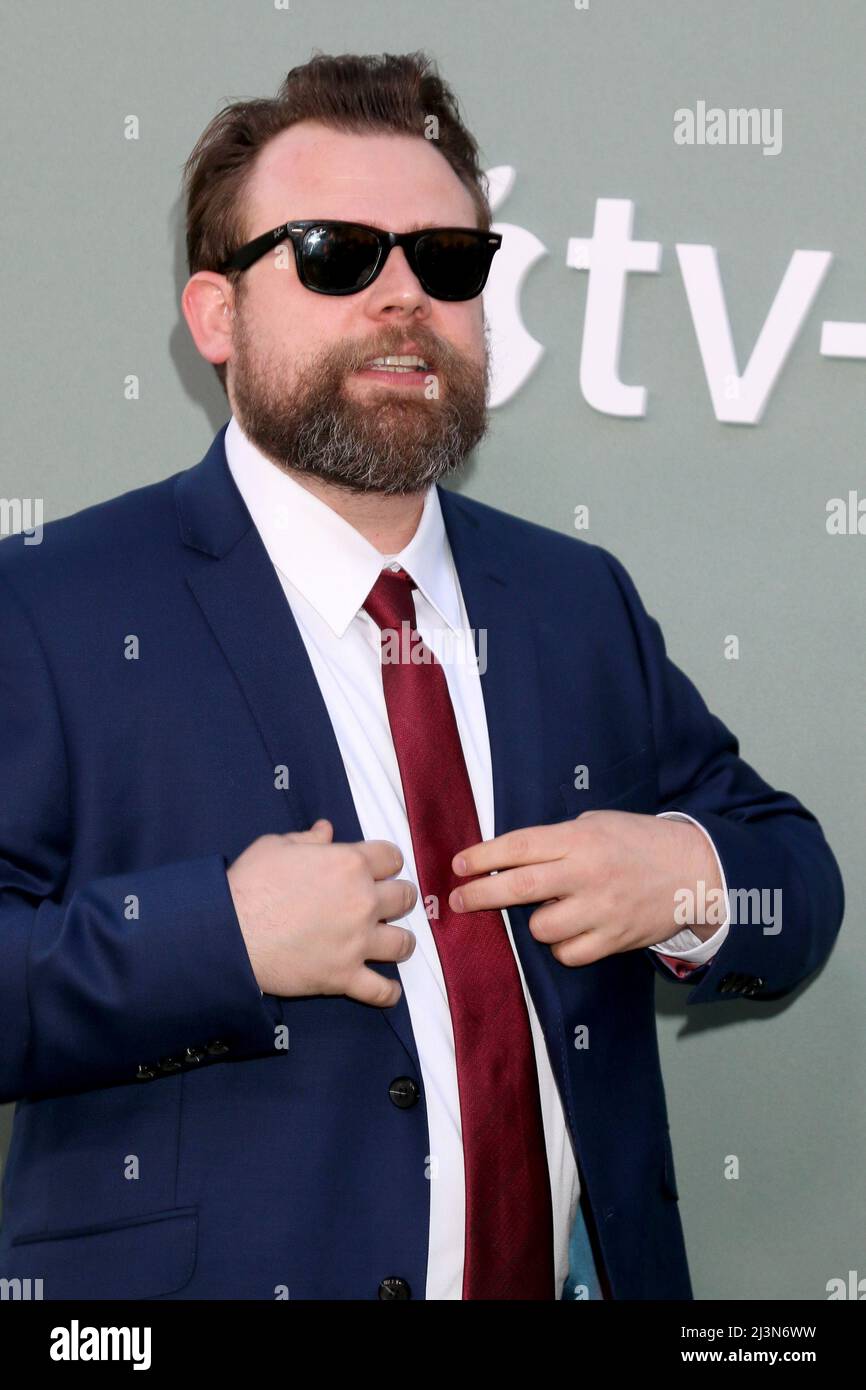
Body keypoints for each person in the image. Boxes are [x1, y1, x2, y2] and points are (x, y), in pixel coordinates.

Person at [0, 51, 844, 1301]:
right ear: (215, 316)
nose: (405, 297)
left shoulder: (571, 598)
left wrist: (684, 879)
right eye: (339, 252)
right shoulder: (49, 600)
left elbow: (795, 885)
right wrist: (215, 938)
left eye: (448, 262)